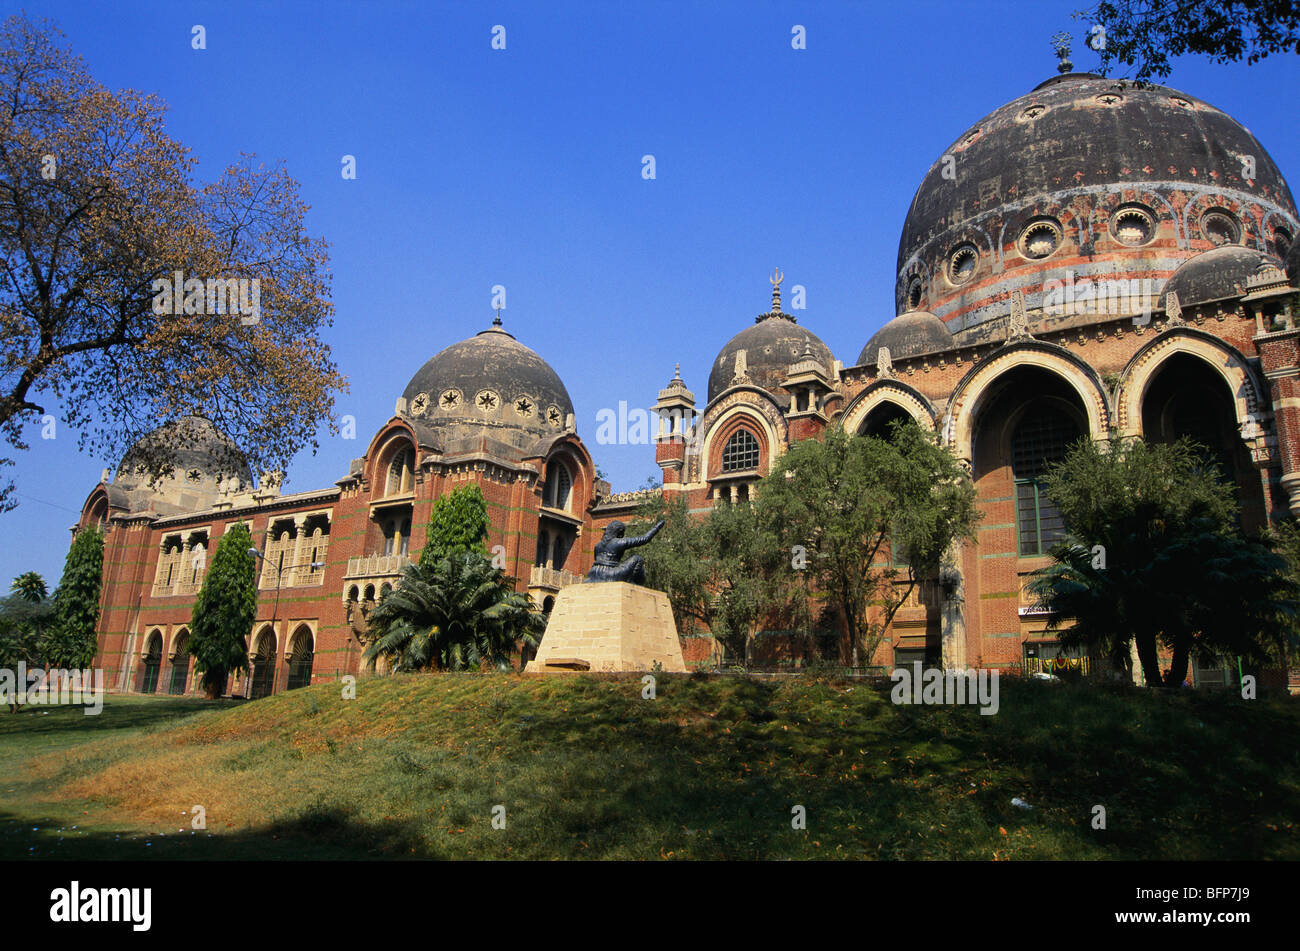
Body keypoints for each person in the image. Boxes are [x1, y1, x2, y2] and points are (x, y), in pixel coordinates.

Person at [586, 519, 665, 584]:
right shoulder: (619, 542)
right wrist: (657, 527)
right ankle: (630, 582)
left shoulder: (597, 545)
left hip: (593, 574)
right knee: (638, 559)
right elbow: (644, 539)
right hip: (611, 574)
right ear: (619, 532)